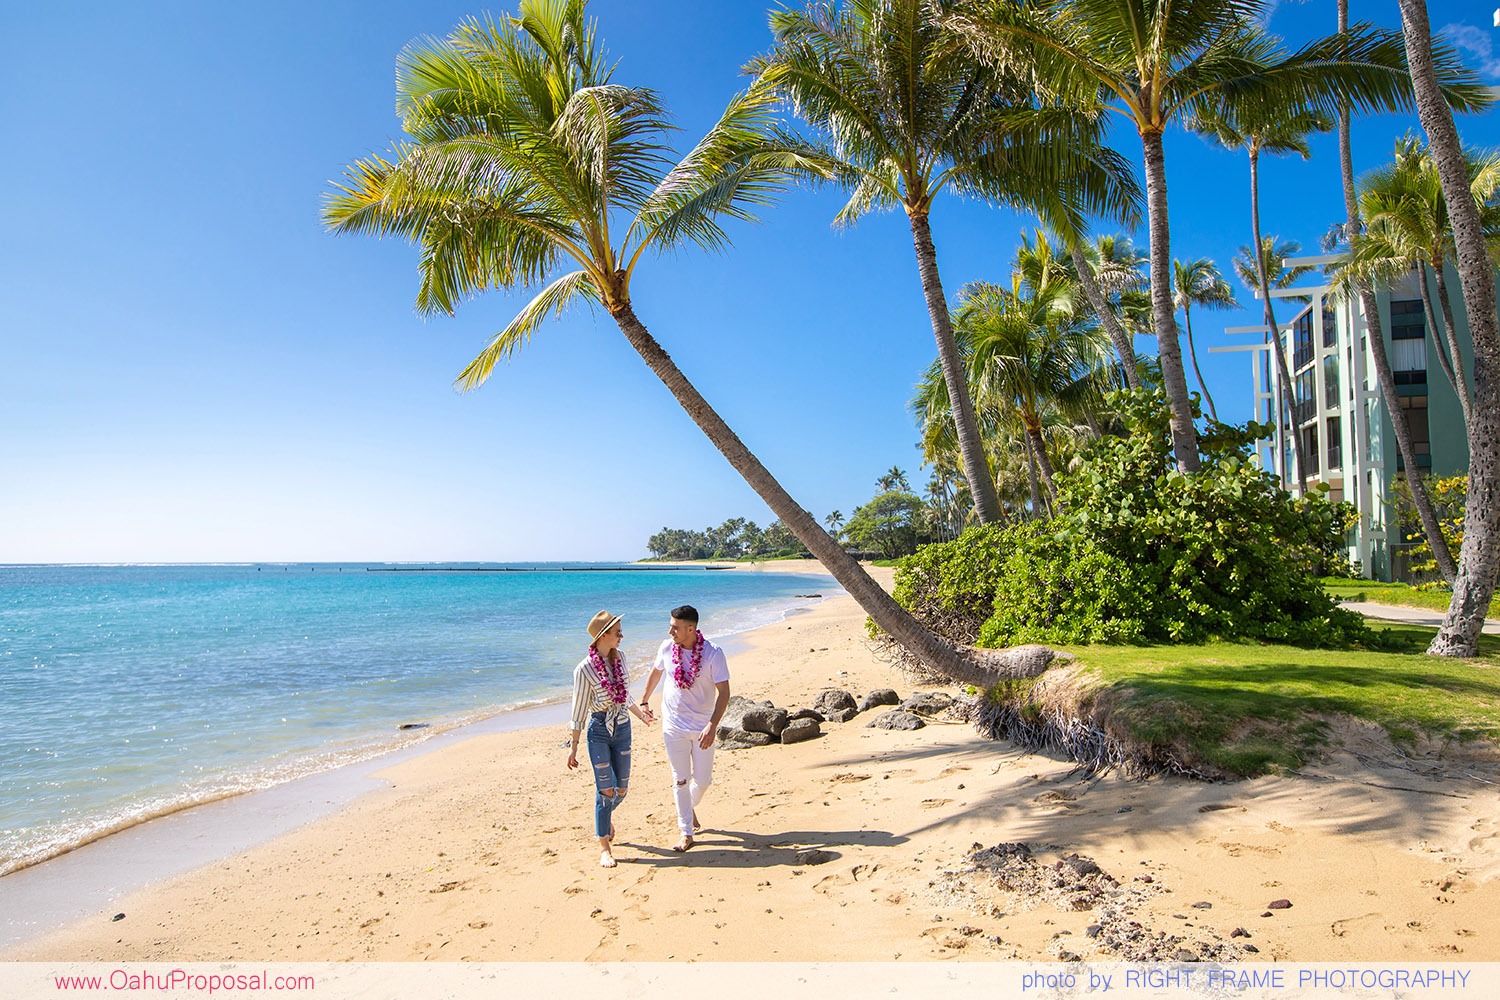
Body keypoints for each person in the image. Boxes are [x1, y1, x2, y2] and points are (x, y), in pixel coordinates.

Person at [638, 605, 730, 852]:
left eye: (675, 628)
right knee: (680, 780)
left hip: (702, 728)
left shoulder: (713, 654)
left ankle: (688, 807)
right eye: (670, 626)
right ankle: (686, 832)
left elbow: (724, 692)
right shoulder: (666, 648)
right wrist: (644, 701)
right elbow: (656, 674)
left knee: (703, 780)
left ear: (691, 629)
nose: (670, 632)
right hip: (673, 726)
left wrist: (712, 725)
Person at [567, 610, 653, 868]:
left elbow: (624, 695)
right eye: (618, 633)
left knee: (621, 790)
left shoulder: (621, 658)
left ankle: (602, 815)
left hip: (623, 728)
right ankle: (604, 847)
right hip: (599, 731)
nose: (622, 637)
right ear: (603, 636)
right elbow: (578, 710)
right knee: (606, 789)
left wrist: (641, 715)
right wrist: (573, 747)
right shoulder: (584, 669)